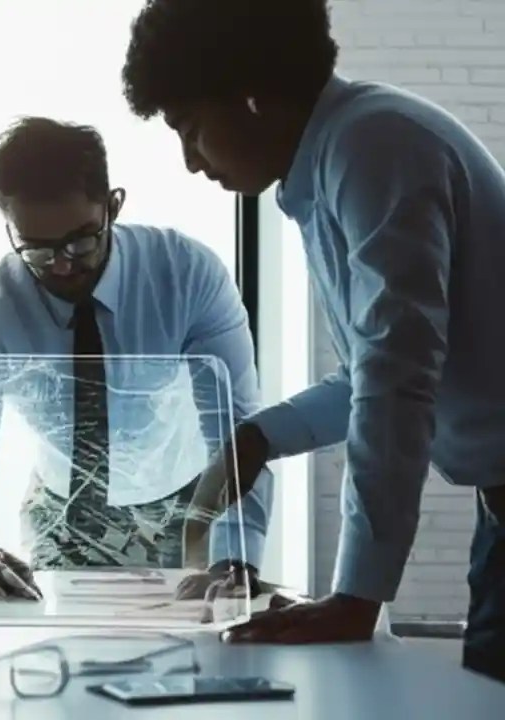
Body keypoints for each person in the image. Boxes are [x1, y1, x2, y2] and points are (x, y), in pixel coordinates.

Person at [122, 0, 505, 682]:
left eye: (191, 129)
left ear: (250, 99)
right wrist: (261, 437)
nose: (188, 162)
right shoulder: (344, 151)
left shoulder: (374, 145)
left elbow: (398, 375)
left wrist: (356, 597)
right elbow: (375, 371)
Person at [0, 118, 272, 601]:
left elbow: (239, 435)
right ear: (9, 227)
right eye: (38, 250)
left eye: (81, 241)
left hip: (191, 504)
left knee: (195, 658)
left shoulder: (188, 274)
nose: (63, 265)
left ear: (113, 206)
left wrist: (234, 557)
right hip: (61, 516)